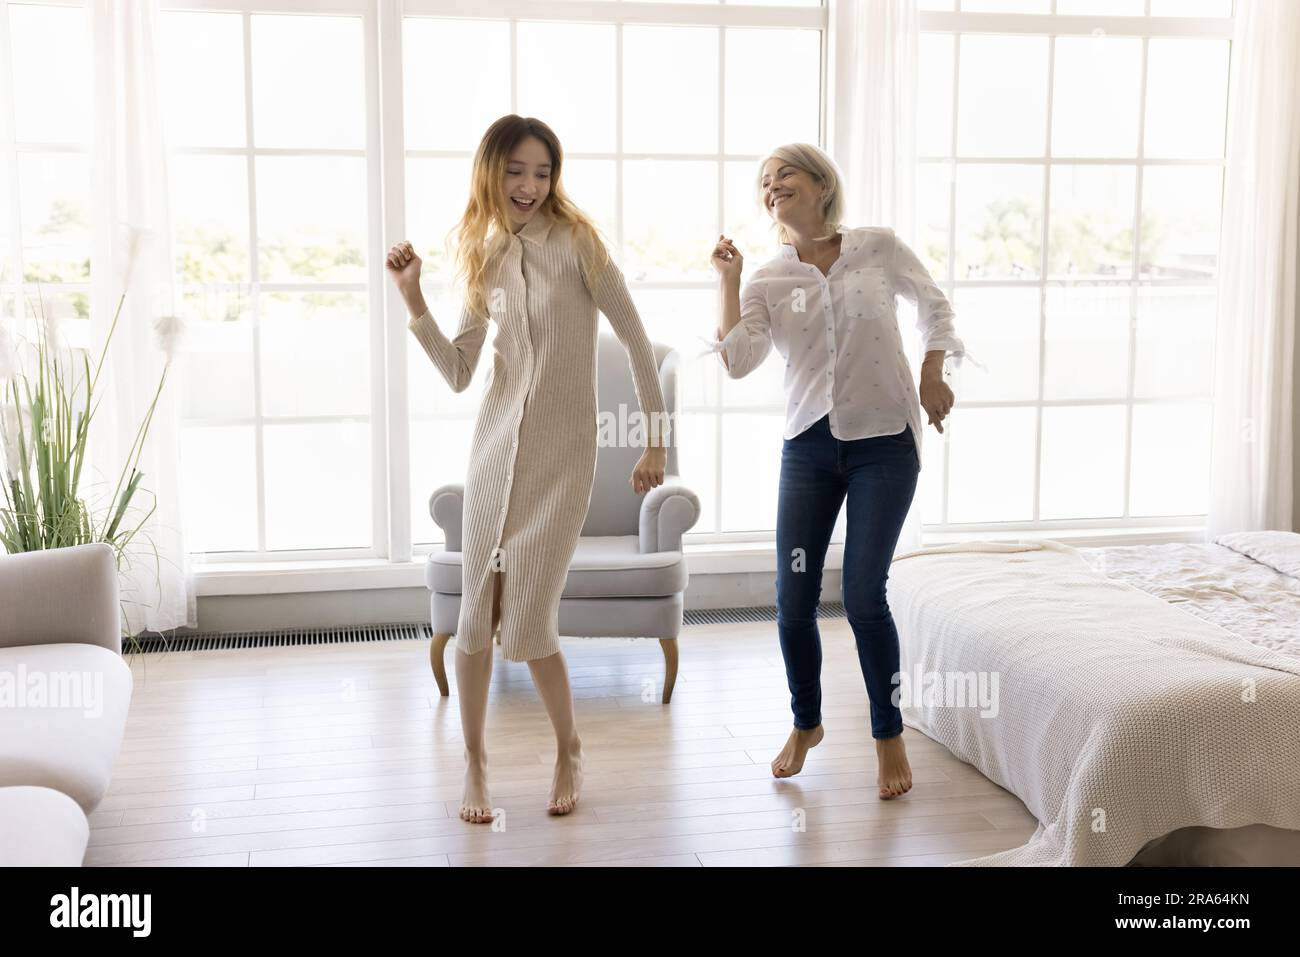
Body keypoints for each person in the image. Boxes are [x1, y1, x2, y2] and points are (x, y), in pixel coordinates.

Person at [387, 115, 670, 822]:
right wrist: (414, 300)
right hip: (492, 454)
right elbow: (459, 372)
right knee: (475, 617)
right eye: (517, 170)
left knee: (533, 618)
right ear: (493, 172)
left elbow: (638, 344)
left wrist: (654, 442)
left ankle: (568, 746)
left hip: (562, 458)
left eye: (543, 172)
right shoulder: (482, 257)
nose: (530, 185)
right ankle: (475, 765)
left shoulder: (579, 243)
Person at [706, 143, 962, 799]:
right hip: (809, 449)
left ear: (821, 184)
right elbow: (737, 361)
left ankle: (887, 733)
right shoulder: (767, 278)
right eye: (765, 183)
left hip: (885, 444)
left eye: (784, 175)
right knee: (792, 599)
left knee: (861, 593)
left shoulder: (877, 247)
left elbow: (935, 306)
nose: (773, 187)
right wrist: (729, 284)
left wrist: (933, 370)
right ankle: (806, 722)